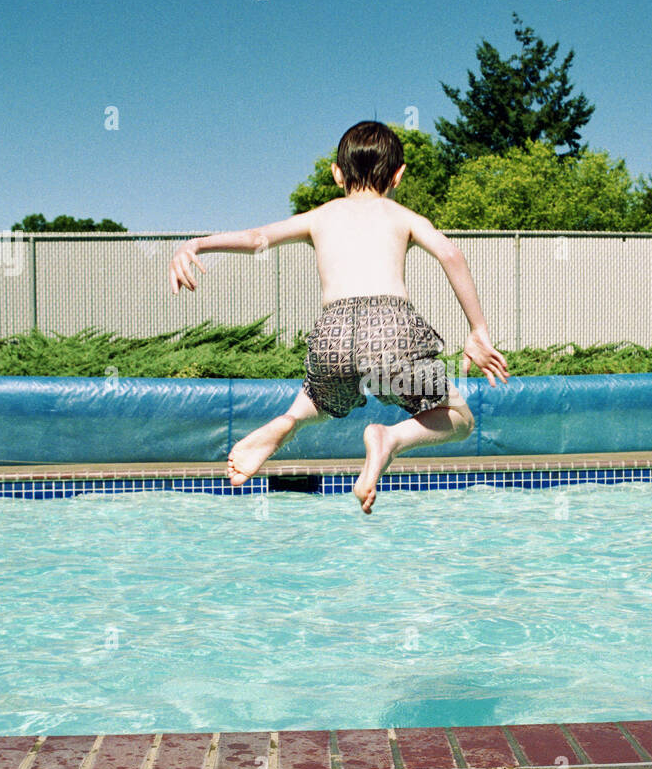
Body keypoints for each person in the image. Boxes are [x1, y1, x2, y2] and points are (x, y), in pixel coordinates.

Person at [168, 121, 509, 512]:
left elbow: (256, 239)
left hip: (333, 333)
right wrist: (477, 331)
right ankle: (389, 440)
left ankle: (289, 421)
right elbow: (451, 254)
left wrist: (197, 244)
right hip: (390, 329)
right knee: (458, 418)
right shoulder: (403, 216)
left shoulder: (319, 217)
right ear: (399, 174)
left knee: (315, 400)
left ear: (336, 173)